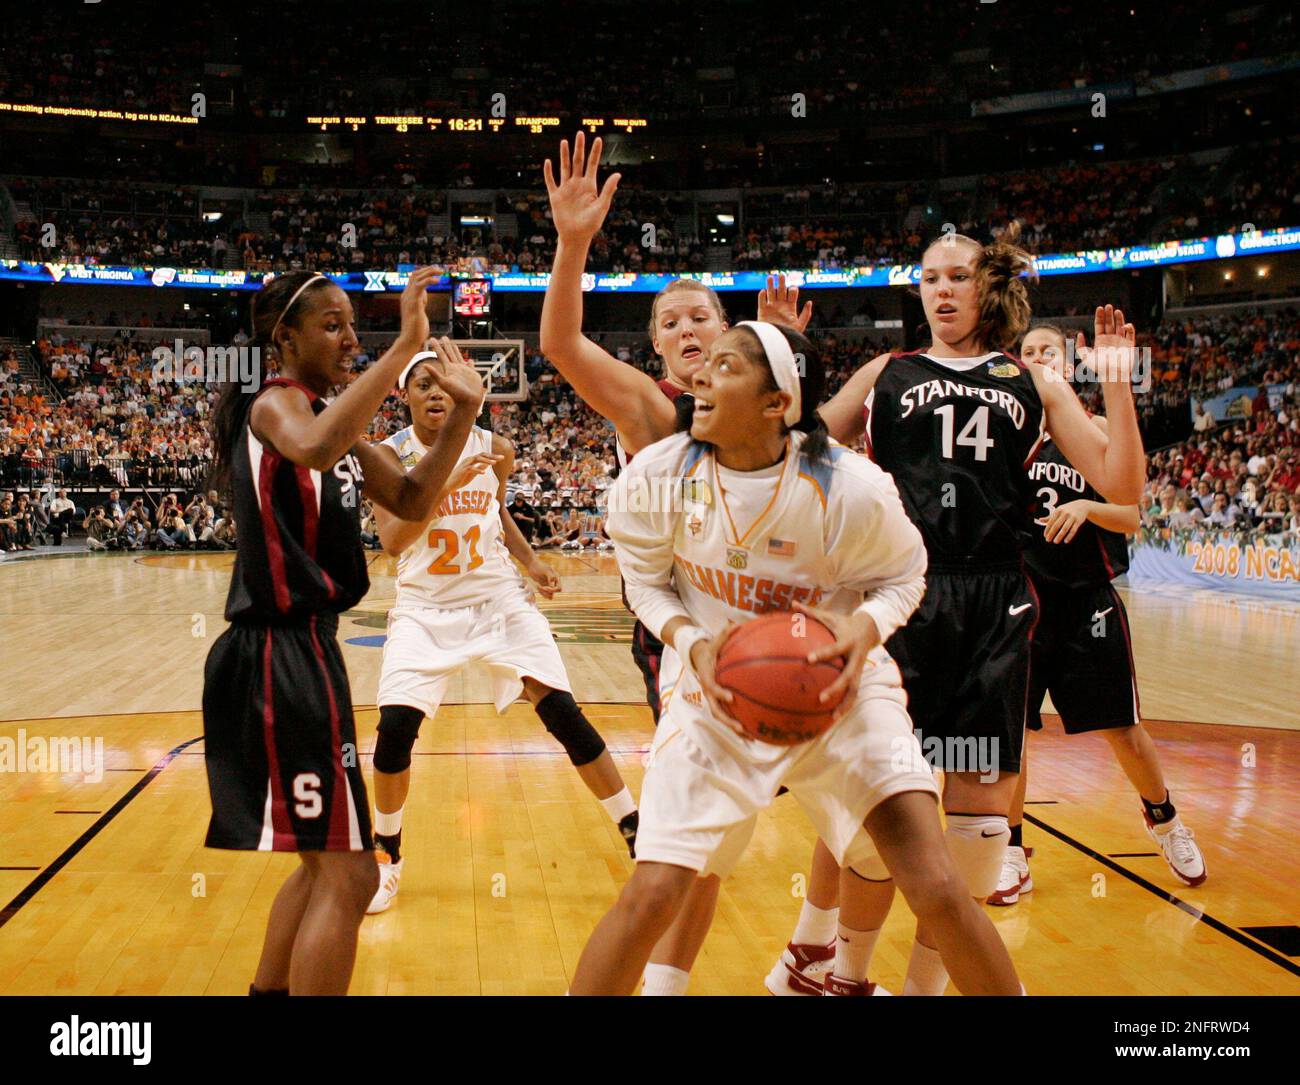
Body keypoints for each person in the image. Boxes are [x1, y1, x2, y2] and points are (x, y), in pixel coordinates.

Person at [570, 320, 1021, 996]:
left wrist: (864, 628)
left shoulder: (848, 486)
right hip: (716, 695)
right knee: (653, 890)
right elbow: (644, 581)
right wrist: (692, 643)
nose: (698, 376)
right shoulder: (659, 474)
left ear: (777, 402)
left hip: (842, 691)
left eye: (724, 366)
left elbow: (904, 575)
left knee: (934, 881)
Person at [792, 235, 1146, 997]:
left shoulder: (1033, 381)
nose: (941, 290)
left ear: (986, 287)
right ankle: (845, 975)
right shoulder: (886, 373)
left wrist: (1116, 385)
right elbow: (795, 448)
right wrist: (785, 356)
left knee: (979, 835)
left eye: (957, 276)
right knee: (882, 820)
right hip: (900, 597)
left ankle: (921, 990)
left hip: (993, 604)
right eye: (928, 278)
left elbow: (1123, 490)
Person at [540, 133, 810, 994]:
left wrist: (790, 357)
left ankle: (806, 951)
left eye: (701, 316)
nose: (687, 327)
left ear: (729, 335)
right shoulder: (647, 409)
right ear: (655, 349)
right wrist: (574, 243)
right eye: (670, 320)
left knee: (737, 838)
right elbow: (559, 345)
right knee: (683, 843)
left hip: (775, 637)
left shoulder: (772, 408)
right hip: (682, 641)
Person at [202, 267, 484, 996]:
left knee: (325, 860)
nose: (352, 338)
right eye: (334, 325)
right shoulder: (278, 407)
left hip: (306, 650)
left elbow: (415, 499)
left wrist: (461, 416)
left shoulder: (337, 425)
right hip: (277, 650)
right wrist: (404, 348)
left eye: (356, 325)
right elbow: (318, 445)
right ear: (284, 337)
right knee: (355, 869)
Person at [361, 348, 640, 915]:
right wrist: (442, 485)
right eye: (423, 383)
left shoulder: (496, 448)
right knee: (394, 730)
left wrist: (531, 562)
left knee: (562, 712)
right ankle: (387, 853)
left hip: (496, 600)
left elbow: (497, 511)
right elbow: (392, 540)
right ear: (404, 394)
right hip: (424, 608)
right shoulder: (388, 455)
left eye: (444, 382)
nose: (436, 392)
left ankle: (637, 831)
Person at [988, 326, 1205, 906]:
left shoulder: (1097, 431)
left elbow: (1132, 516)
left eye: (1047, 352)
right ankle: (1011, 849)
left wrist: (1087, 504)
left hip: (1088, 601)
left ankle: (1164, 819)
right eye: (1026, 353)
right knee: (1013, 736)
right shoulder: (1006, 435)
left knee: (1123, 729)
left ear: (1068, 362)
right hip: (1022, 603)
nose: (1036, 360)